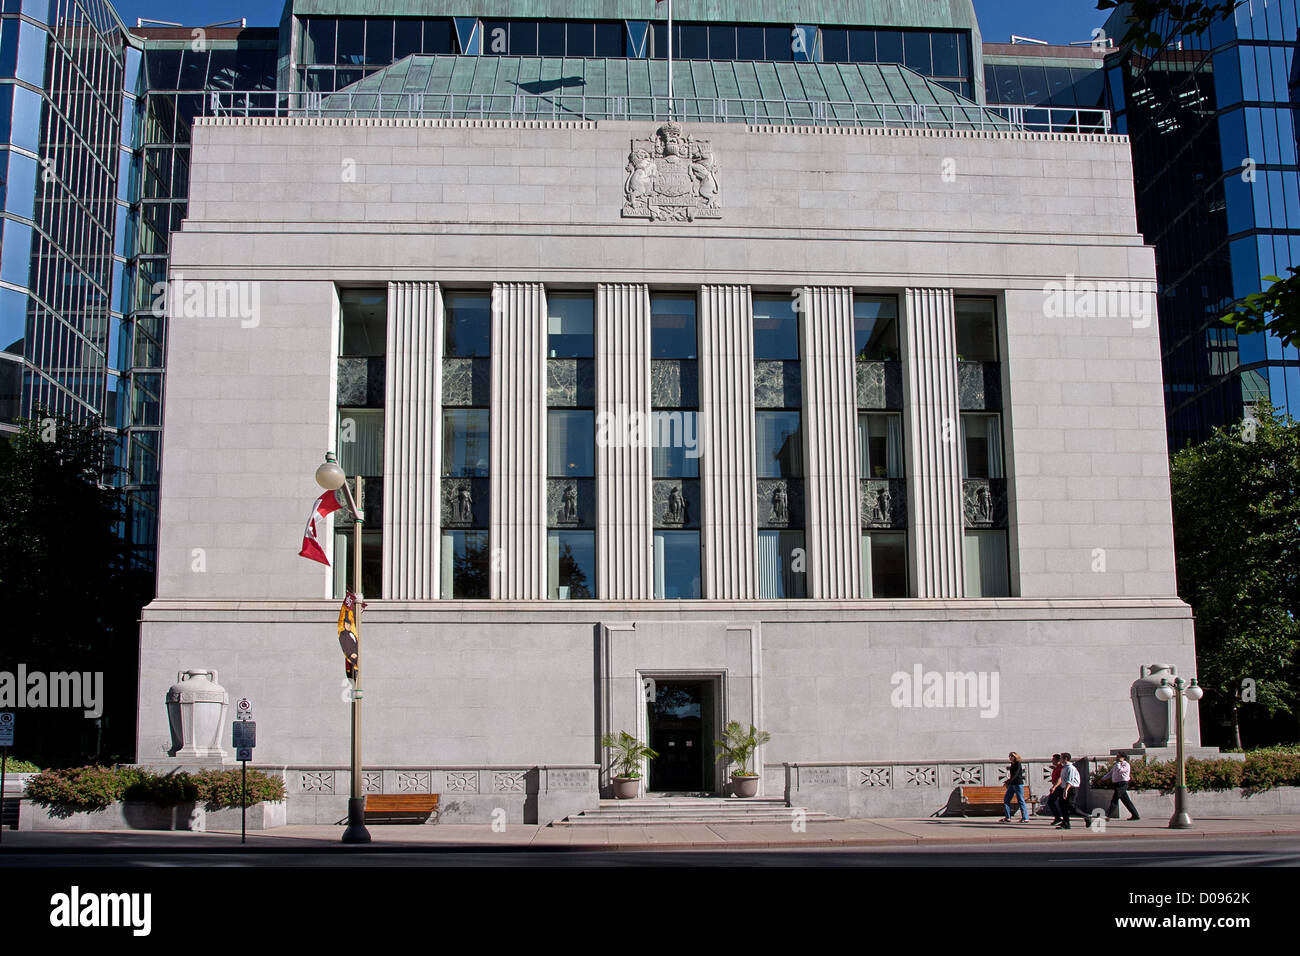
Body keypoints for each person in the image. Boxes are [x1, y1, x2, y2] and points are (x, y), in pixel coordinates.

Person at [1101, 755, 1141, 820]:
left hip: (1122, 784)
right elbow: (1111, 773)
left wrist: (1119, 763)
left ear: (1123, 758)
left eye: (1119, 757)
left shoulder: (1126, 764)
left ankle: (1108, 815)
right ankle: (1135, 815)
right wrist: (1103, 778)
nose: (1117, 758)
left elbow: (1120, 771)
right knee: (1126, 801)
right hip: (1117, 784)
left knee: (1115, 799)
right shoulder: (1116, 764)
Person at [1055, 752, 1084, 829]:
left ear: (1066, 759)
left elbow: (1069, 780)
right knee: (1062, 805)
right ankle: (1066, 823)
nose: (1060, 759)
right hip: (1064, 788)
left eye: (1061, 758)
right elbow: (1062, 779)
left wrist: (1065, 790)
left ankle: (1087, 816)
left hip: (1071, 789)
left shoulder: (1070, 768)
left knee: (1071, 806)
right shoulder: (1064, 767)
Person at [1001, 751, 1030, 822]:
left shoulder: (1018, 764)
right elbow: (1012, 775)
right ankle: (1008, 817)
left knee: (1020, 800)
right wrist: (1009, 781)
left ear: (1015, 757)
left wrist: (1009, 781)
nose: (1010, 757)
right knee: (1006, 799)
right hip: (1012, 784)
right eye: (1009, 756)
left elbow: (1016, 774)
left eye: (1012, 756)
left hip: (1018, 784)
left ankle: (1025, 817)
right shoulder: (1012, 764)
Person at [1044, 754, 1063, 823]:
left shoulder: (1061, 767)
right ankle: (1057, 817)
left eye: (1053, 759)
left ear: (1057, 760)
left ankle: (1061, 818)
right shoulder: (1056, 767)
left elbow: (1060, 778)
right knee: (1051, 802)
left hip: (1059, 787)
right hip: (1056, 787)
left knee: (1064, 804)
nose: (1052, 760)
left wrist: (1054, 787)